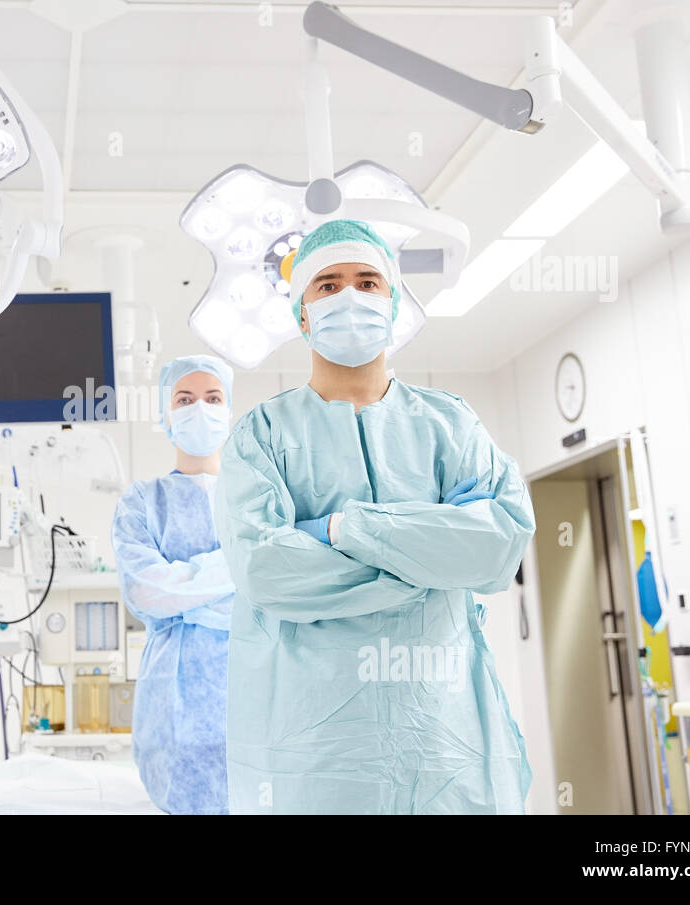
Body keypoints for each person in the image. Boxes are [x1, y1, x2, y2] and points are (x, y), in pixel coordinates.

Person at [215, 219, 535, 814]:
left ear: (392, 305)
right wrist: (429, 561)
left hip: (443, 744)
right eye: (328, 284)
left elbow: (496, 548)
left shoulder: (450, 425)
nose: (349, 296)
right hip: (316, 754)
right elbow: (266, 571)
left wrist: (341, 529)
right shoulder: (261, 437)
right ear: (302, 315)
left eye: (367, 281)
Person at [111, 354, 236, 815]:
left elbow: (276, 584)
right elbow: (146, 591)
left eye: (213, 398)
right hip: (173, 700)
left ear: (229, 410)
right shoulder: (142, 502)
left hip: (255, 685)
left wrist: (184, 597)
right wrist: (235, 572)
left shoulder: (256, 498)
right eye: (184, 399)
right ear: (165, 414)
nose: (199, 408)